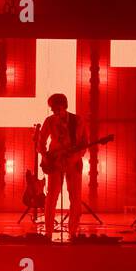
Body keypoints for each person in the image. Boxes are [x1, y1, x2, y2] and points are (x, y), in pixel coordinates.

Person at [38, 93, 88, 238]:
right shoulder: (49, 121)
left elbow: (85, 143)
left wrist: (74, 157)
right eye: (53, 109)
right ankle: (48, 232)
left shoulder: (77, 120)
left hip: (74, 162)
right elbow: (41, 142)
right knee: (51, 197)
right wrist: (45, 156)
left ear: (64, 105)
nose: (55, 112)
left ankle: (72, 231)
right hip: (55, 162)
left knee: (75, 198)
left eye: (57, 108)